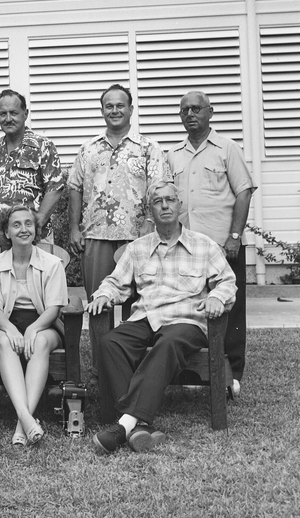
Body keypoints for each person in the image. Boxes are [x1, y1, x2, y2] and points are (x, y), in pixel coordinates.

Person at [86, 181, 236, 454]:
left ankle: (123, 425)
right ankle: (141, 425)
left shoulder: (204, 246)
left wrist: (216, 297)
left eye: (170, 200)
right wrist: (103, 295)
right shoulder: (137, 248)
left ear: (180, 205)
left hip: (186, 320)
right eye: (158, 201)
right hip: (146, 317)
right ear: (149, 210)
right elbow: (115, 282)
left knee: (167, 344)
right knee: (111, 342)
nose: (165, 206)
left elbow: (227, 282)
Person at [68, 83, 171, 377]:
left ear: (131, 109)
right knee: (99, 305)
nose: (115, 111)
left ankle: (133, 368)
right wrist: (75, 228)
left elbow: (158, 190)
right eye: (109, 106)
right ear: (102, 111)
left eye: (120, 105)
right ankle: (103, 368)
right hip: (96, 235)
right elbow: (74, 188)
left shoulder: (148, 148)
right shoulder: (88, 148)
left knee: (135, 305)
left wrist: (149, 228)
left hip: (136, 238)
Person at [168, 91, 255, 396]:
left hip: (222, 244)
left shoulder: (226, 148)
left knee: (230, 308)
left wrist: (234, 236)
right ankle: (198, 368)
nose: (190, 114)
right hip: (188, 249)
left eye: (196, 109)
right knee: (192, 307)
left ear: (210, 112)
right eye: (184, 110)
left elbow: (244, 191)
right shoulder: (173, 154)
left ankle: (232, 375)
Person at [0, 205, 67, 446]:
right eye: (16, 225)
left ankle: (22, 423)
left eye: (28, 224)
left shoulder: (52, 264)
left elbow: (54, 308)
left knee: (40, 341)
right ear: (6, 233)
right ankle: (27, 420)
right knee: (4, 341)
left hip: (44, 324)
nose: (23, 229)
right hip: (4, 323)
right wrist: (10, 329)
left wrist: (33, 328)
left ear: (36, 229)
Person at [0, 89, 65, 249]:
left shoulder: (43, 146)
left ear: (25, 114)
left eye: (13, 113)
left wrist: (37, 223)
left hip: (34, 237)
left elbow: (55, 188)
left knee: (38, 274)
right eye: (3, 114)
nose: (8, 119)